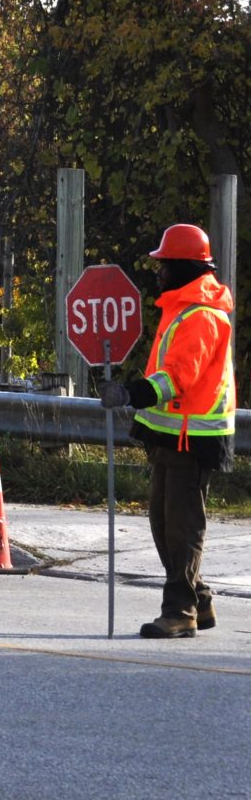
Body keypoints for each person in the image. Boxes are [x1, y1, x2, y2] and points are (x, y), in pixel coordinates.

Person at [101, 224, 235, 638]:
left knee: (181, 526)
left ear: (186, 266)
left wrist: (131, 394)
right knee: (162, 522)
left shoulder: (202, 316)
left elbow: (178, 377)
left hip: (192, 440)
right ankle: (200, 598)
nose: (158, 271)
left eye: (165, 264)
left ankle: (180, 612)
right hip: (171, 435)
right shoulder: (180, 309)